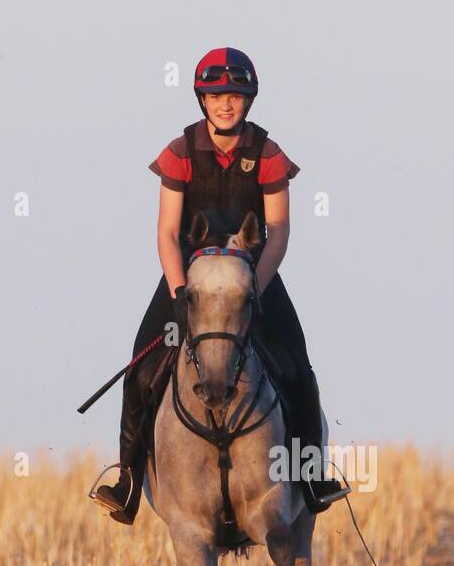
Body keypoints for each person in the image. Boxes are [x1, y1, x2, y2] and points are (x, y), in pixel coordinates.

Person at [91, 46, 349, 525]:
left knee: (297, 368)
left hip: (253, 279)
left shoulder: (269, 154)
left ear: (247, 100)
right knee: (142, 370)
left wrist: (255, 285)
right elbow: (168, 231)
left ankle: (312, 475)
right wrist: (178, 293)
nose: (225, 104)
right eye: (215, 96)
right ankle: (127, 481)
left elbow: (280, 231)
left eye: (233, 95)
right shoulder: (180, 152)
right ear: (202, 101)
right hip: (189, 282)